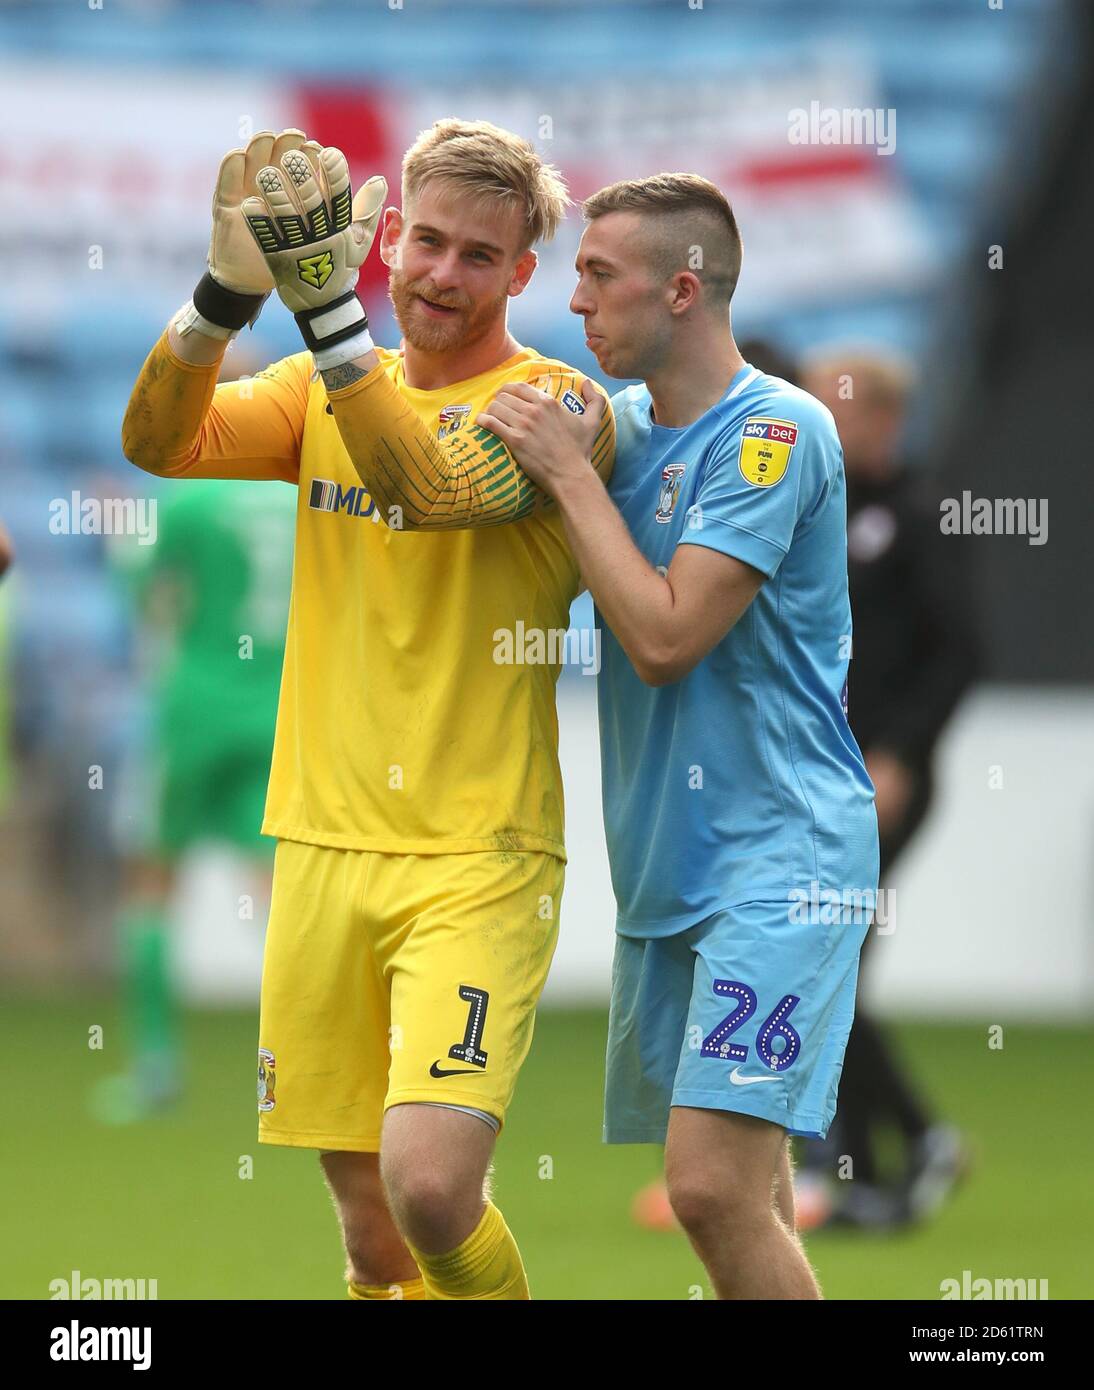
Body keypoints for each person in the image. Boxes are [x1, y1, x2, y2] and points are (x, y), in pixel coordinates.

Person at [122, 120, 614, 1301]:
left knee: (434, 1186)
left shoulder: (559, 403)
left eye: (478, 256)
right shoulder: (314, 387)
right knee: (371, 1241)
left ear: (521, 275)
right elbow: (157, 440)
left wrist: (329, 313)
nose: (443, 274)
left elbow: (433, 487)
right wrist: (225, 296)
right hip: (320, 850)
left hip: (474, 855)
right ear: (388, 236)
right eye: (427, 241)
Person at [475, 174, 878, 1299]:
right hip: (668, 863)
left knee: (703, 1186)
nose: (576, 301)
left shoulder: (775, 431)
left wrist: (563, 474)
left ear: (683, 289)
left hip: (780, 856)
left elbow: (662, 638)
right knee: (739, 1194)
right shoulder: (625, 431)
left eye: (599, 276)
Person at [795, 349, 978, 1228]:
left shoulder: (920, 512)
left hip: (882, 780)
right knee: (822, 969)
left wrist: (900, 753)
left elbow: (960, 650)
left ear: (887, 418)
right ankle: (863, 1172)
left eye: (846, 409)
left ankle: (914, 1137)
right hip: (821, 776)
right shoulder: (825, 506)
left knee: (823, 965)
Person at [92, 471, 295, 1123]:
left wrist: (120, 538)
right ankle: (292, 1071)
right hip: (278, 712)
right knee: (279, 896)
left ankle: (155, 1068)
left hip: (194, 713)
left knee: (152, 879)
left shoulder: (192, 500)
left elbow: (141, 595)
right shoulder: (305, 502)